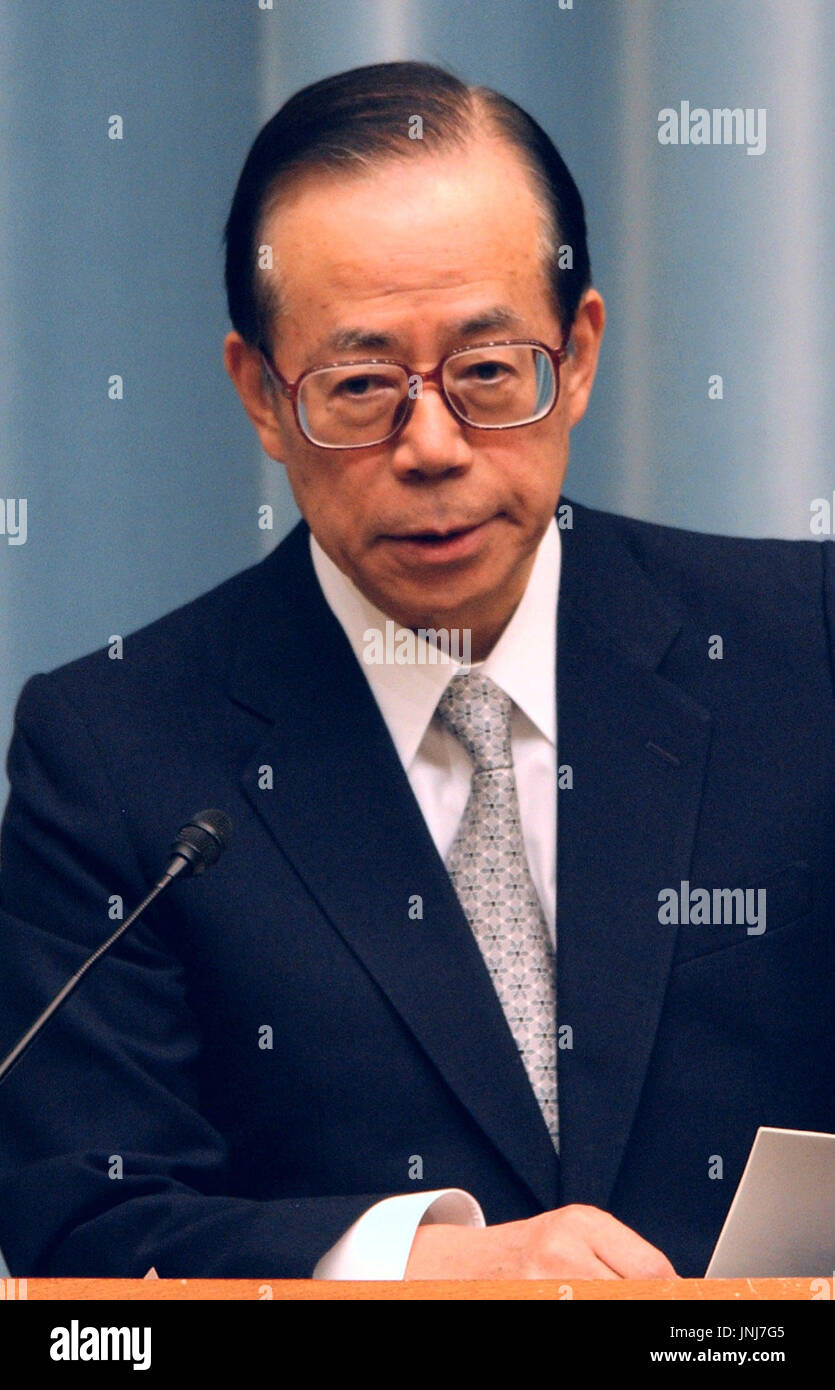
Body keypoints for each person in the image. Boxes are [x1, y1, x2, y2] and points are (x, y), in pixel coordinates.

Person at [0, 61, 831, 1282]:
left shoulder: (801, 648)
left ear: (577, 355)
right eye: (360, 388)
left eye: (488, 371)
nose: (432, 447)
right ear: (261, 396)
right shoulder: (117, 753)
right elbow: (85, 1225)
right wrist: (425, 1272)